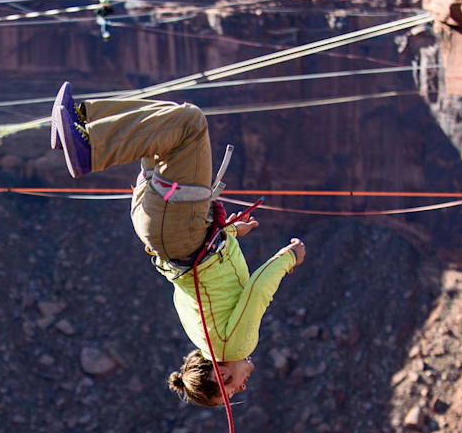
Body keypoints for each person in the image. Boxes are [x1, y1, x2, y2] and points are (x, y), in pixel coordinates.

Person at [50, 82, 306, 407]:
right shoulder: (201, 337)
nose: (240, 390)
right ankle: (82, 123)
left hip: (178, 226)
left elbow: (259, 291)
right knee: (166, 127)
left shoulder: (234, 348)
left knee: (190, 125)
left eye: (229, 393)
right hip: (158, 228)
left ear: (218, 377)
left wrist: (289, 258)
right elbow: (203, 278)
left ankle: (88, 151)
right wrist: (228, 234)